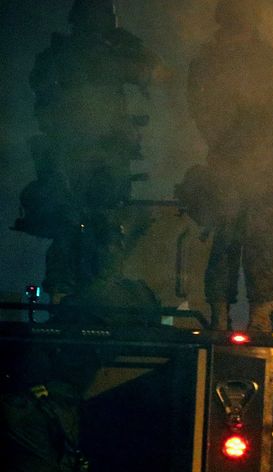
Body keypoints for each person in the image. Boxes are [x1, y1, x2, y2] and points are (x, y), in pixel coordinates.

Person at [18, 0, 164, 300]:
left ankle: (73, 293)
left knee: (81, 223)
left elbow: (154, 73)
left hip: (94, 151)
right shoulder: (93, 54)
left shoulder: (67, 53)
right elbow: (154, 73)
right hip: (84, 152)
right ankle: (81, 291)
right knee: (84, 221)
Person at [187, 0, 273, 332]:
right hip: (237, 162)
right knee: (233, 240)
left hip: (258, 163)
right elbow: (205, 113)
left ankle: (248, 315)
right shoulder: (216, 61)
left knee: (257, 242)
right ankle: (237, 315)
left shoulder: (221, 60)